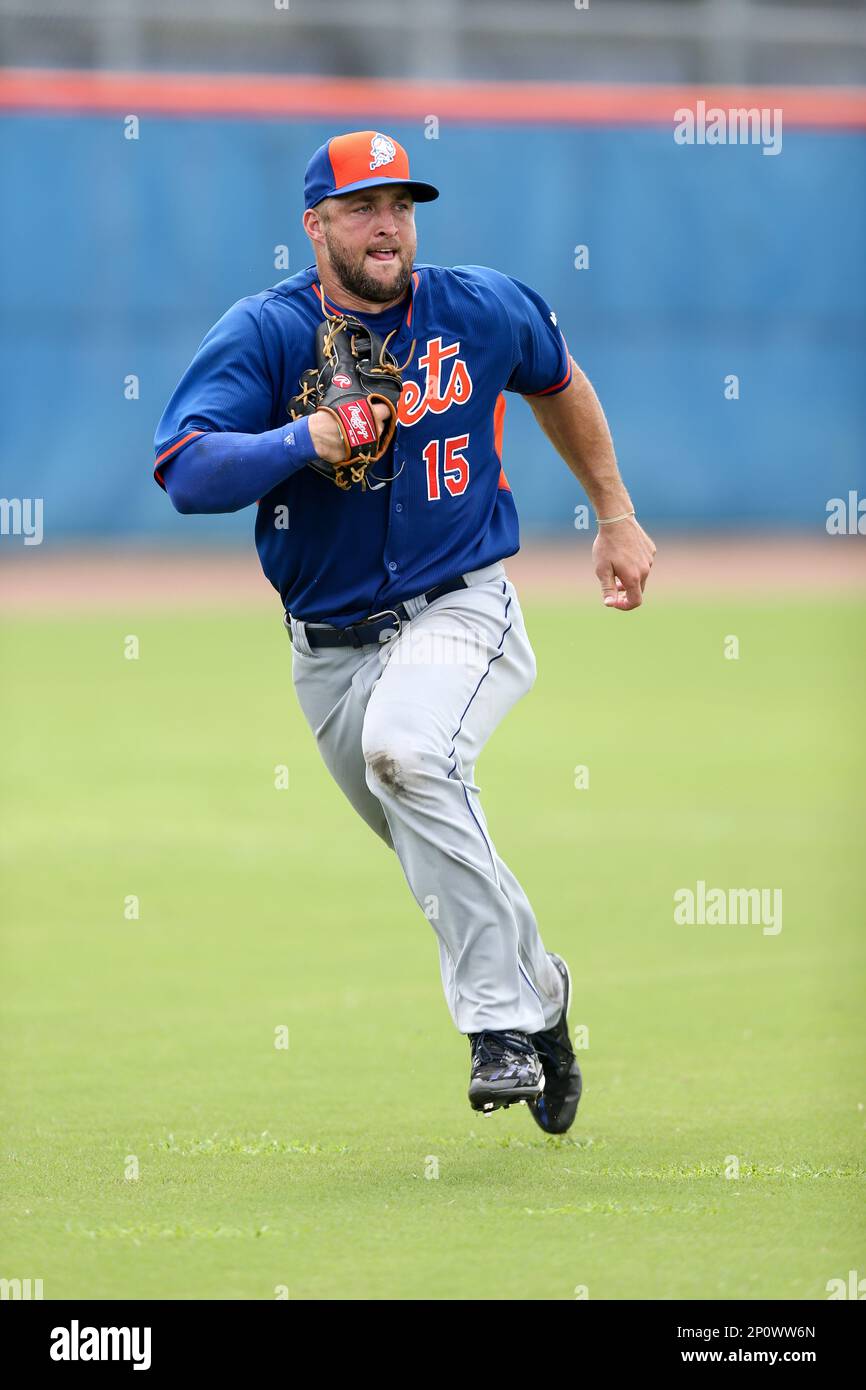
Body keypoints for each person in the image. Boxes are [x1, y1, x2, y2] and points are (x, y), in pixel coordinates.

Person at [153, 130, 655, 1132]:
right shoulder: (265, 332)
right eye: (360, 206)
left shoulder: (478, 306)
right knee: (431, 836)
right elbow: (184, 469)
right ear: (316, 225)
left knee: (405, 751)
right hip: (326, 651)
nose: (386, 223)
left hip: (458, 606)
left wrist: (612, 513)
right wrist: (305, 437)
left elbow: (555, 377)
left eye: (400, 204)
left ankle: (499, 1029)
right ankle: (543, 994)